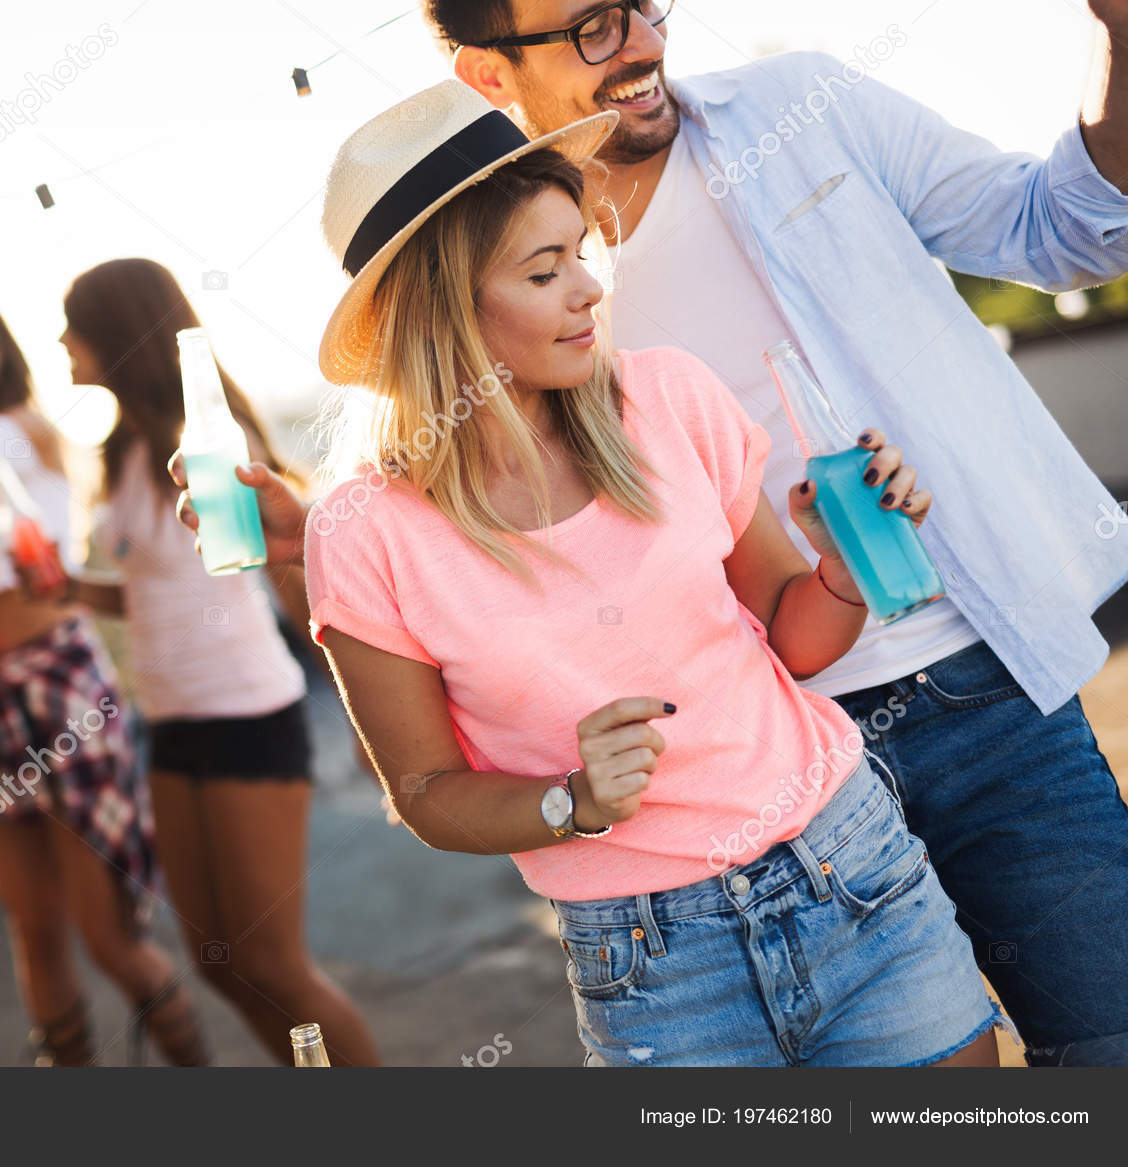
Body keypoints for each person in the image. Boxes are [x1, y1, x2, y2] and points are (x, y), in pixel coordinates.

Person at [420, 0, 1128, 1066]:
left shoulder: (802, 108)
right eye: (595, 27)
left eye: (646, 8)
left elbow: (1068, 230)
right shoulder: (485, 272)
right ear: (487, 70)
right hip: (765, 781)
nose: (647, 44)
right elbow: (452, 498)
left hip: (981, 693)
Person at [305, 81, 1000, 1066]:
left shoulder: (668, 398)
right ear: (444, 312)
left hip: (850, 874)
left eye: (579, 256)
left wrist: (842, 572)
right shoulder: (364, 533)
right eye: (545, 272)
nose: (589, 289)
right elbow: (421, 789)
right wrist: (567, 801)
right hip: (652, 963)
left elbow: (793, 639)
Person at [55, 258, 379, 1066]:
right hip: (171, 723)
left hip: (247, 715)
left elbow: (291, 573)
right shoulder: (123, 451)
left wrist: (371, 717)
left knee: (273, 963)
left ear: (116, 333)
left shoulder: (205, 442)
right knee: (220, 963)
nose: (61, 339)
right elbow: (146, 594)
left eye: (74, 323)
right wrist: (67, 587)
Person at [0, 272, 206, 1066]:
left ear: (2, 354)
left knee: (106, 935)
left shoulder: (20, 429)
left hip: (58, 686)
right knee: (34, 931)